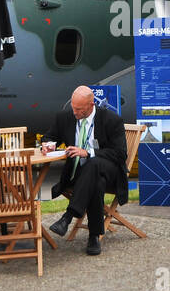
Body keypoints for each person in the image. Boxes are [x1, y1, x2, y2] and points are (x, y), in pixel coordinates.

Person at [45, 85, 129, 256]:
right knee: (96, 183)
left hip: (109, 170)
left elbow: (120, 154)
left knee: (93, 163)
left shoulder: (111, 120)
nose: (75, 112)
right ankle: (93, 237)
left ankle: (68, 216)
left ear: (91, 105)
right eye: (73, 107)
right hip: (80, 175)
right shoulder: (65, 117)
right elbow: (49, 137)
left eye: (79, 109)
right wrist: (48, 145)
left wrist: (88, 152)